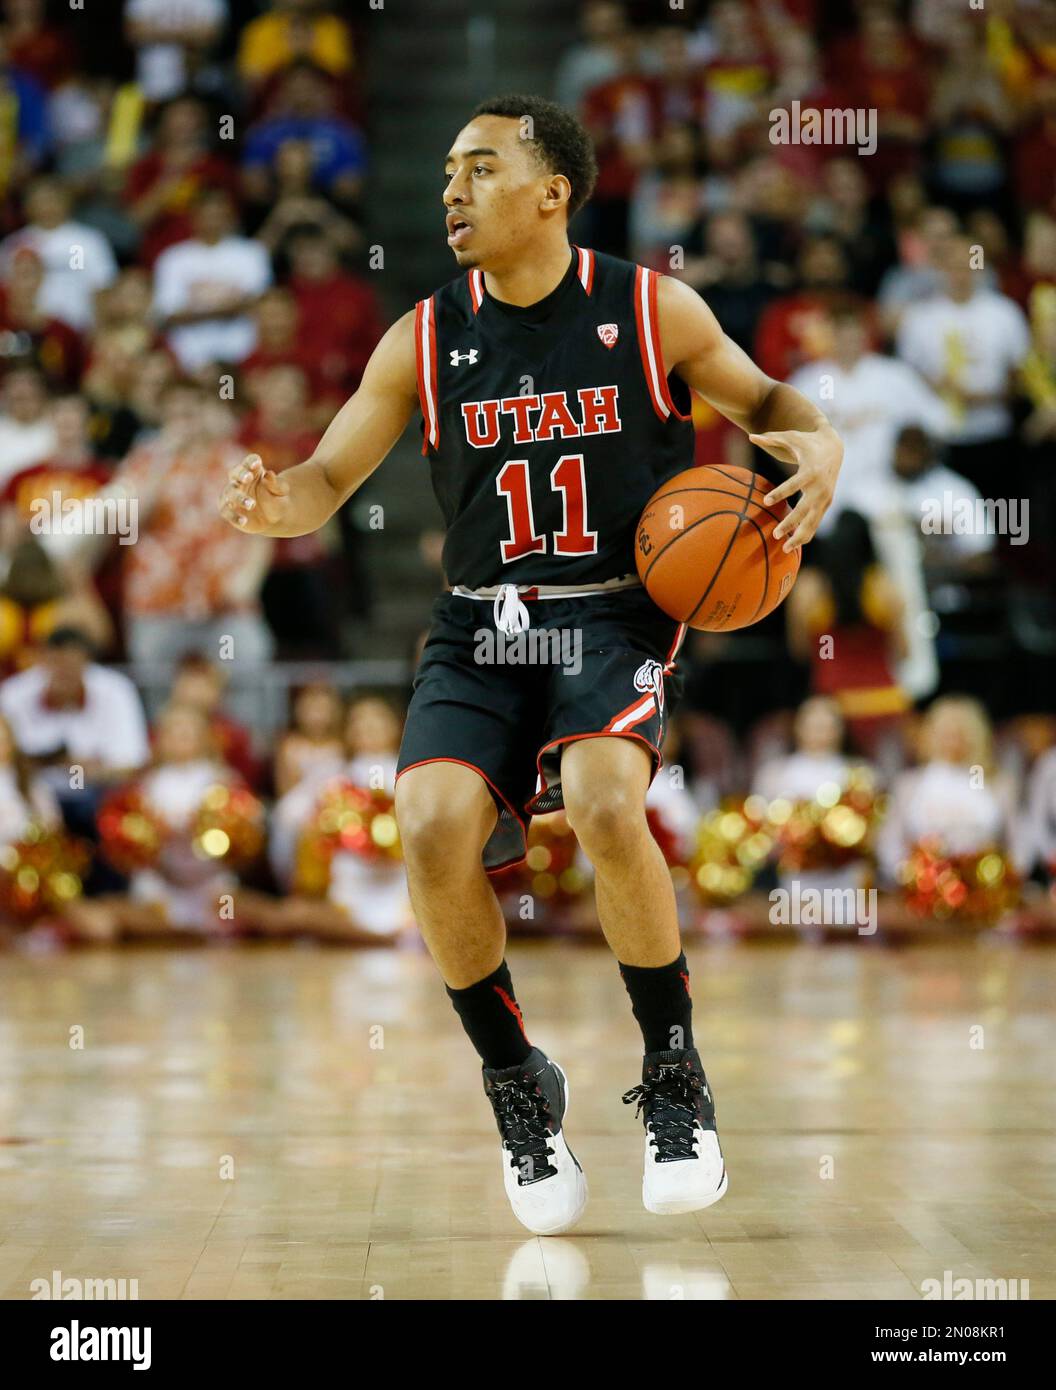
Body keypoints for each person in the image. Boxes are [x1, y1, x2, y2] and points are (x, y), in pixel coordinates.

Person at [218, 94, 843, 1234]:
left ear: (552, 189)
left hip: (611, 615)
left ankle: (674, 1072)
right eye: (445, 169)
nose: (450, 188)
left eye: (480, 167)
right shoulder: (419, 333)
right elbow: (320, 480)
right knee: (432, 822)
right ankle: (518, 1083)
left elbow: (768, 402)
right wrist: (275, 504)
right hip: (479, 623)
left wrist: (820, 440)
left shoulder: (653, 309)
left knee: (608, 800)